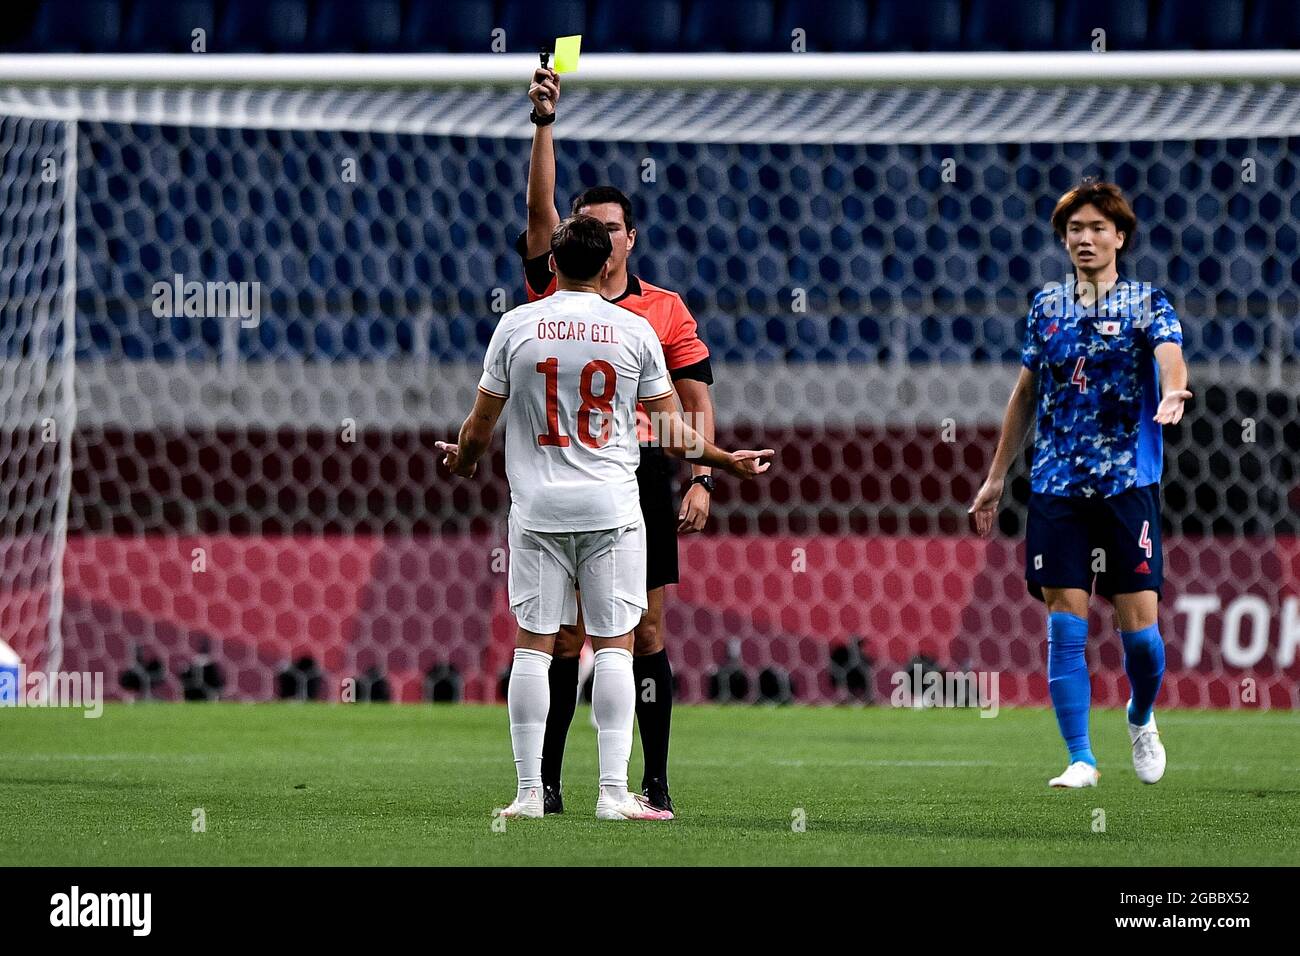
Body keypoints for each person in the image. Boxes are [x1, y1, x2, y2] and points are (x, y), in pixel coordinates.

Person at [438, 215, 773, 819]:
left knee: (534, 651)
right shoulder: (632, 330)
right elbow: (672, 432)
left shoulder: (515, 326)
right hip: (611, 508)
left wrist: (462, 460)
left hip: (538, 510)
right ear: (605, 265)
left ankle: (530, 794)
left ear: (554, 265)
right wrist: (724, 462)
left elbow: (480, 424)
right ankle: (615, 794)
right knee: (616, 649)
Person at [521, 65, 718, 815]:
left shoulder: (663, 310)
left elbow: (695, 400)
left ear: (631, 237)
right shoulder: (551, 291)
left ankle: (655, 780)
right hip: (558, 470)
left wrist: (701, 476)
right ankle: (546, 783)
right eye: (589, 227)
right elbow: (538, 206)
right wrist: (544, 123)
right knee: (562, 636)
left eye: (612, 227)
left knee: (643, 629)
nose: (601, 238)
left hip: (635, 476)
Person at [969, 179, 1191, 788]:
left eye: (1097, 228)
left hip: (1127, 486)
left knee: (1140, 637)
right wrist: (996, 478)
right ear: (1064, 241)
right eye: (1075, 230)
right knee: (1066, 620)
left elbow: (1170, 353)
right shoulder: (1047, 308)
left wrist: (1172, 390)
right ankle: (1081, 758)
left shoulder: (1148, 303)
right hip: (1056, 486)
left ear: (1119, 237)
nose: (1085, 239)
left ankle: (1141, 715)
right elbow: (1025, 394)